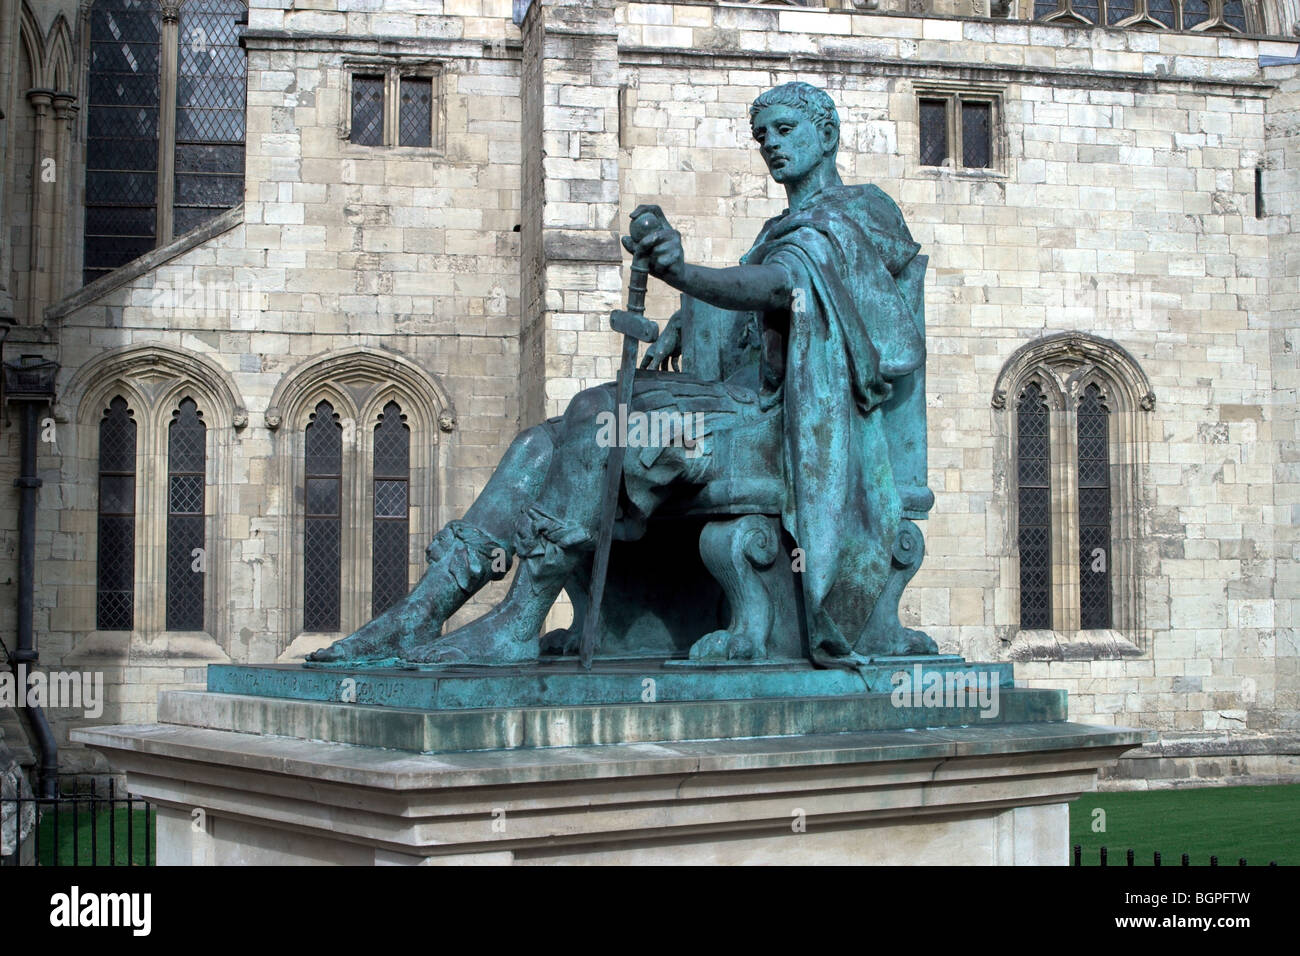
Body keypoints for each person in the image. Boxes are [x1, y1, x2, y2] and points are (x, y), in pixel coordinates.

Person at [309, 81, 931, 667]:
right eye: (761, 134)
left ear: (827, 135)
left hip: (792, 431)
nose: (770, 143)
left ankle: (518, 621)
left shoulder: (859, 213)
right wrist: (691, 320)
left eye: (784, 129)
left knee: (602, 421)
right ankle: (422, 610)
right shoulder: (779, 230)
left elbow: (785, 287)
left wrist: (686, 276)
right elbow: (760, 304)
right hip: (738, 408)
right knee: (543, 439)